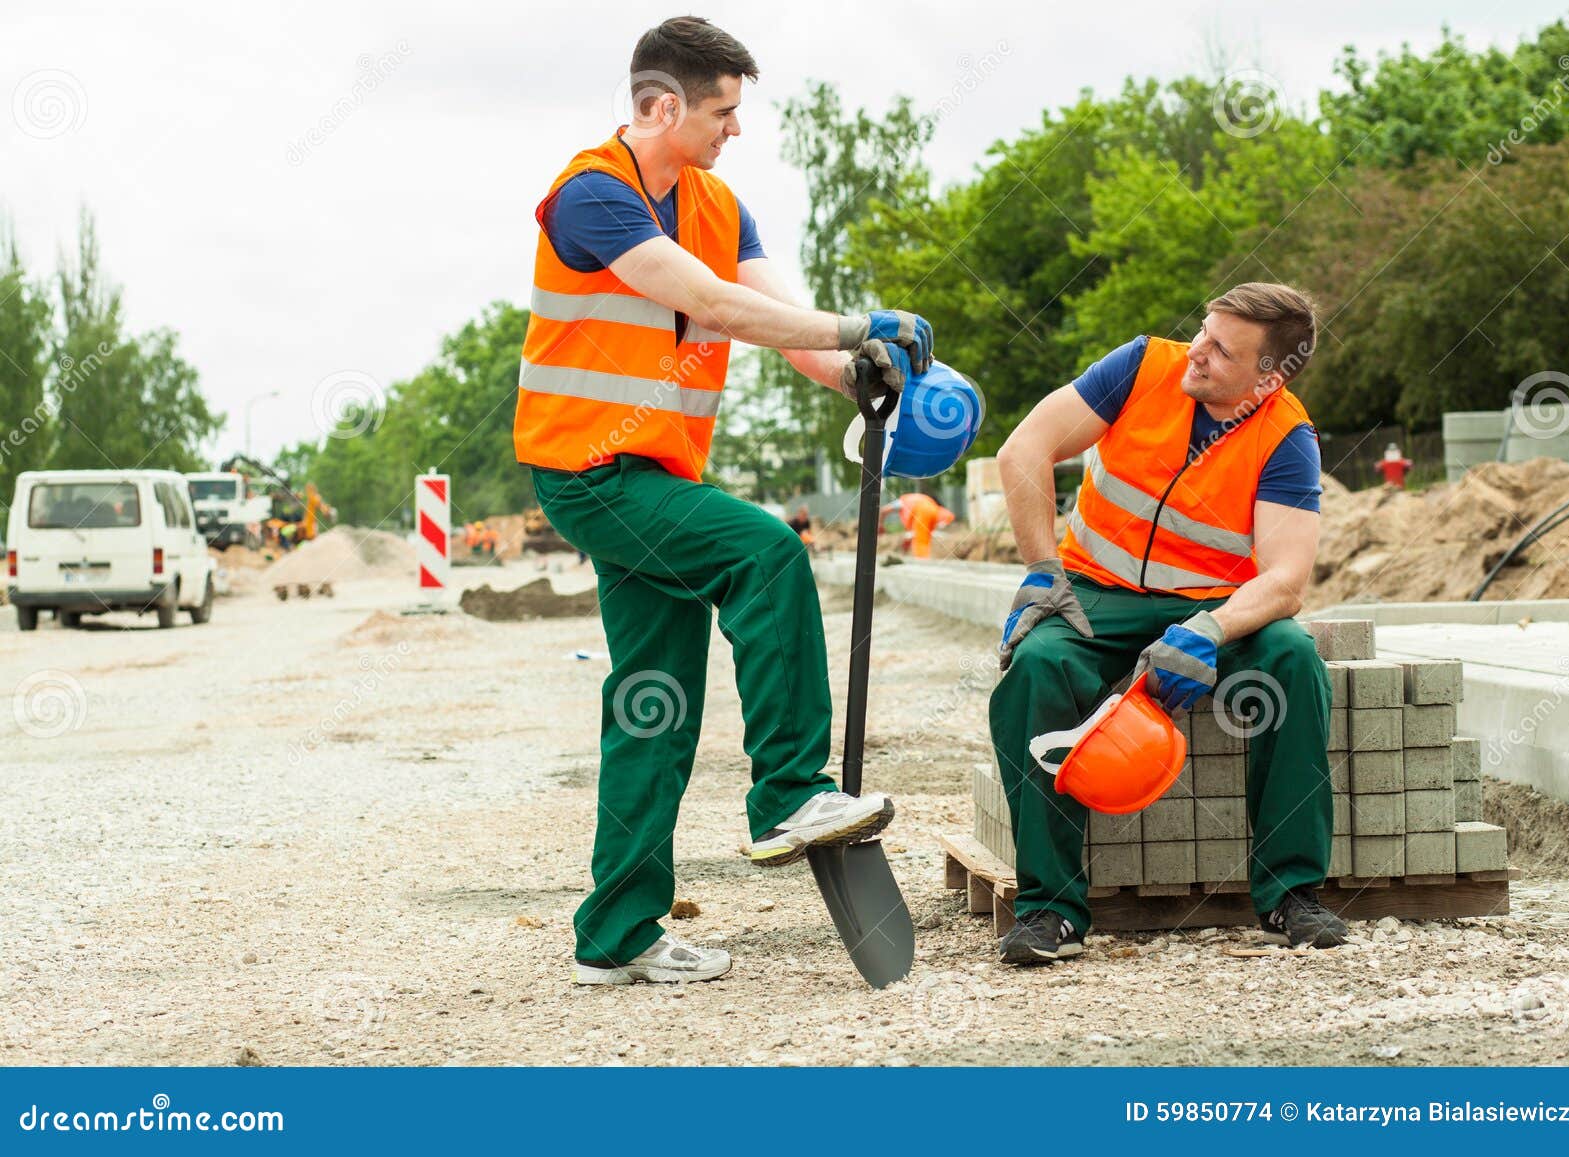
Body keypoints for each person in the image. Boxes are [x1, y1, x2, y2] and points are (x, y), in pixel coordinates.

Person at [514, 16, 935, 985]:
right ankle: (791, 789)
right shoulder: (592, 198)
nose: (733, 129)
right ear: (661, 104)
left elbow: (782, 324)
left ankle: (616, 930)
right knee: (765, 551)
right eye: (720, 111)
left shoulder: (716, 204)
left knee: (652, 707)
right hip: (590, 473)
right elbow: (712, 306)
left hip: (655, 478)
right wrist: (857, 317)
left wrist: (855, 369)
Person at [988, 282, 1347, 965]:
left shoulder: (1286, 438)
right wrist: (1041, 570)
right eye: (1204, 331)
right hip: (1093, 591)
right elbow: (1023, 449)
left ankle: (1289, 894)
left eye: (1222, 349)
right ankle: (1048, 909)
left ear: (1267, 378)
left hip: (1211, 603)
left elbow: (1286, 578)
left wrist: (1209, 631)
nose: (1199, 352)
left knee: (1292, 659)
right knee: (1036, 669)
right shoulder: (1143, 366)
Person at [881, 492, 955, 558]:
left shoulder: (902, 502)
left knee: (921, 541)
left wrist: (880, 525)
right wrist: (907, 544)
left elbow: (884, 510)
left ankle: (922, 561)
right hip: (933, 509)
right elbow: (913, 533)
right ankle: (924, 558)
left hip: (923, 510)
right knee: (924, 538)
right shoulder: (913, 506)